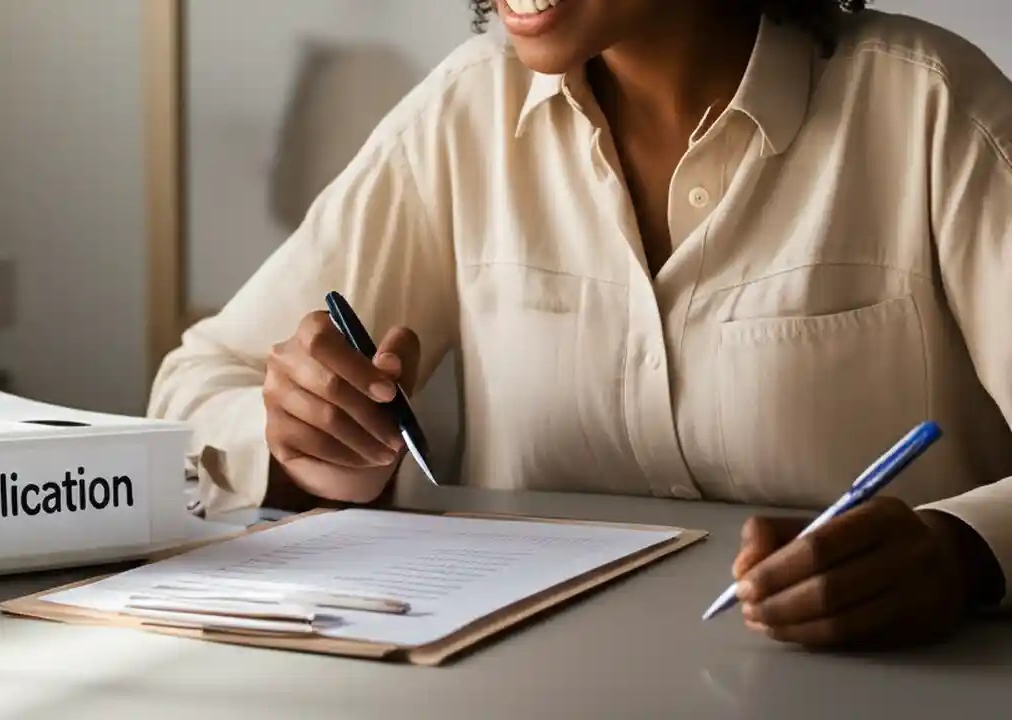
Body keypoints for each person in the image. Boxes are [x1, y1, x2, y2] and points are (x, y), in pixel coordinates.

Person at [150, 0, 1011, 649]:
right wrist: (293, 442)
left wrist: (963, 551)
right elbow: (195, 384)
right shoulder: (464, 117)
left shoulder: (931, 110)